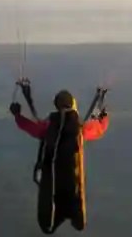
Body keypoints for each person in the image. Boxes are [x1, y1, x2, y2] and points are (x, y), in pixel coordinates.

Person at [11, 85, 110, 234]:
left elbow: (30, 125)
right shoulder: (79, 129)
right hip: (72, 187)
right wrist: (104, 115)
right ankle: (73, 218)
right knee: (72, 205)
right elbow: (96, 126)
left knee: (53, 210)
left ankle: (53, 220)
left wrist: (17, 115)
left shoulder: (48, 127)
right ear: (73, 105)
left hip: (53, 186)